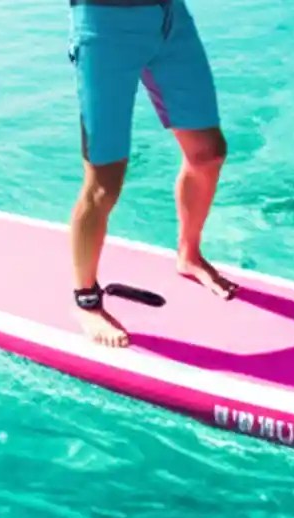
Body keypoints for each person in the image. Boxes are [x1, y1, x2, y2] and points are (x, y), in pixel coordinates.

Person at [66, 0, 238, 348]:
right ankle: (86, 298)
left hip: (170, 17)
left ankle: (189, 255)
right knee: (105, 181)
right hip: (105, 24)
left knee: (207, 152)